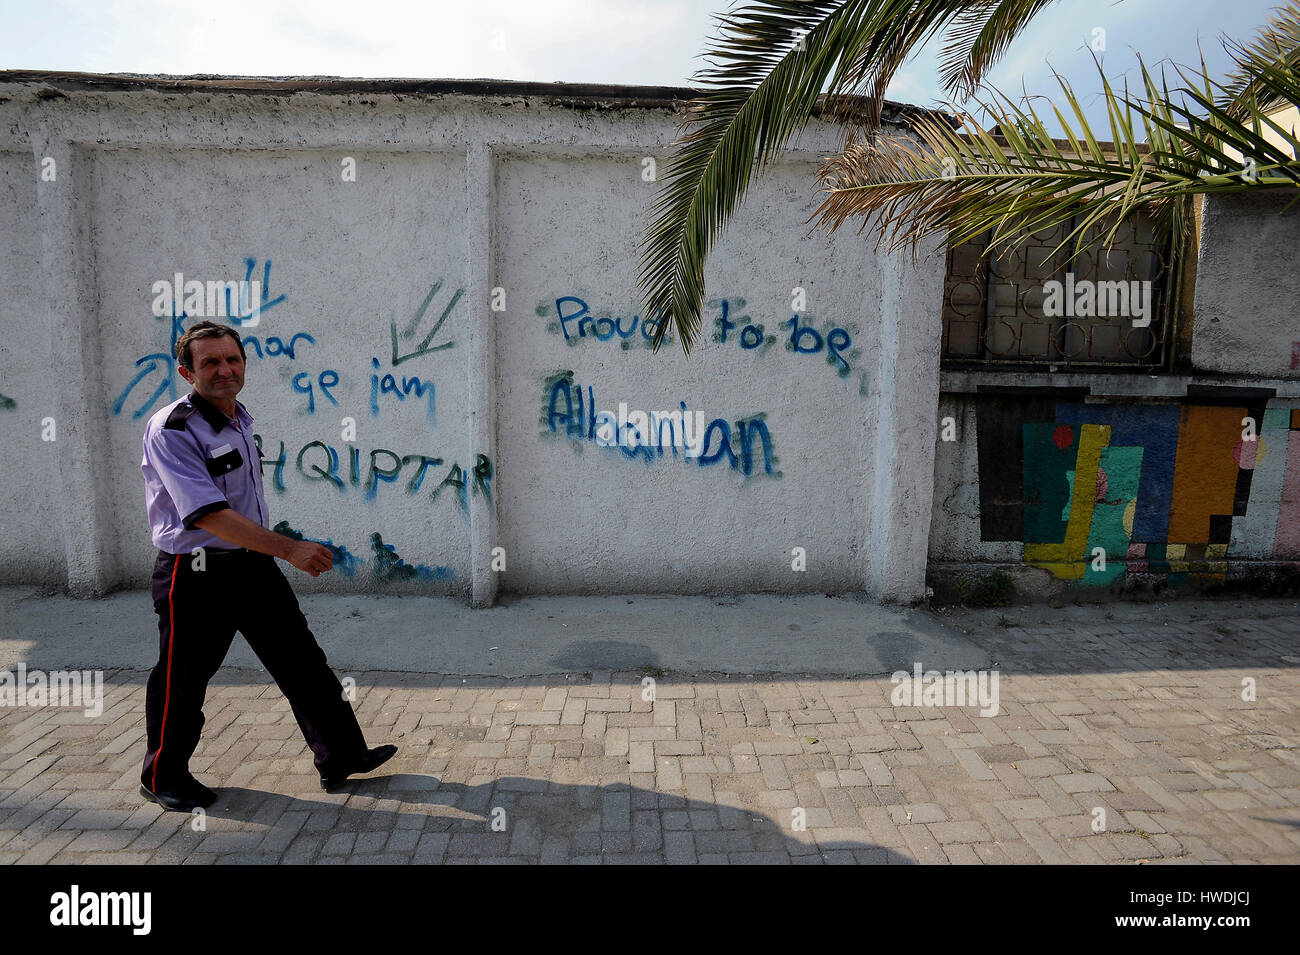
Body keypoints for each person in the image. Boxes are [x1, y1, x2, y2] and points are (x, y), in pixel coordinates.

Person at [138, 320, 395, 812]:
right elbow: (208, 514)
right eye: (210, 362)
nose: (223, 370)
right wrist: (289, 548)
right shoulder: (171, 429)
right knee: (183, 676)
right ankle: (162, 775)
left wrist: (270, 551)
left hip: (251, 566)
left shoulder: (239, 418)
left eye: (231, 359)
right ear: (186, 372)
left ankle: (341, 755)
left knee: (302, 660)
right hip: (194, 572)